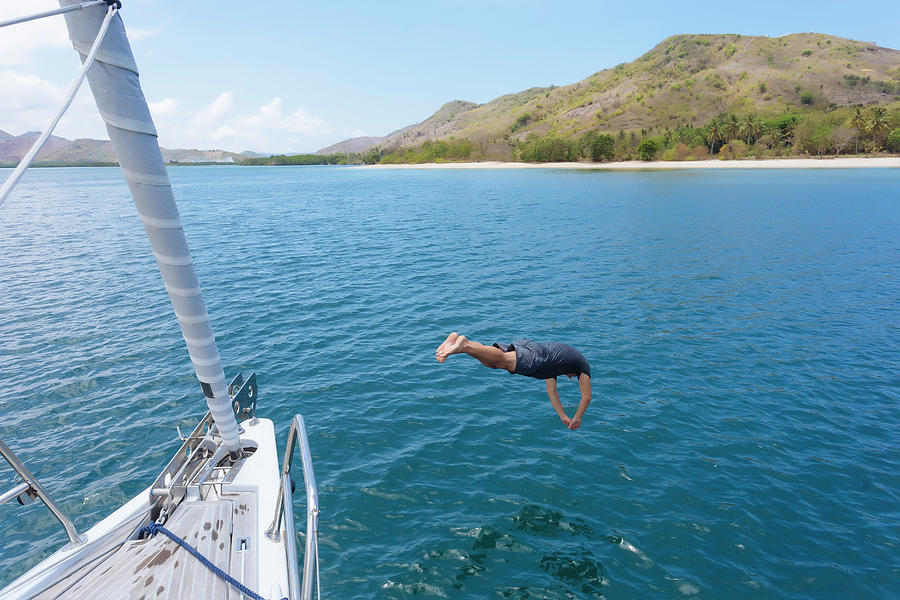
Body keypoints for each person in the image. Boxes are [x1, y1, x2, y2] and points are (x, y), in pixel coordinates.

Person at [435, 332, 591, 430]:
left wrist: (563, 416)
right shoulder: (581, 365)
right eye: (574, 377)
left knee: (492, 362)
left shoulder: (557, 364)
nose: (571, 378)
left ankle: (458, 344)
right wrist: (577, 417)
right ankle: (464, 345)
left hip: (532, 347)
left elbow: (551, 390)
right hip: (539, 356)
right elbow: (586, 396)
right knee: (502, 360)